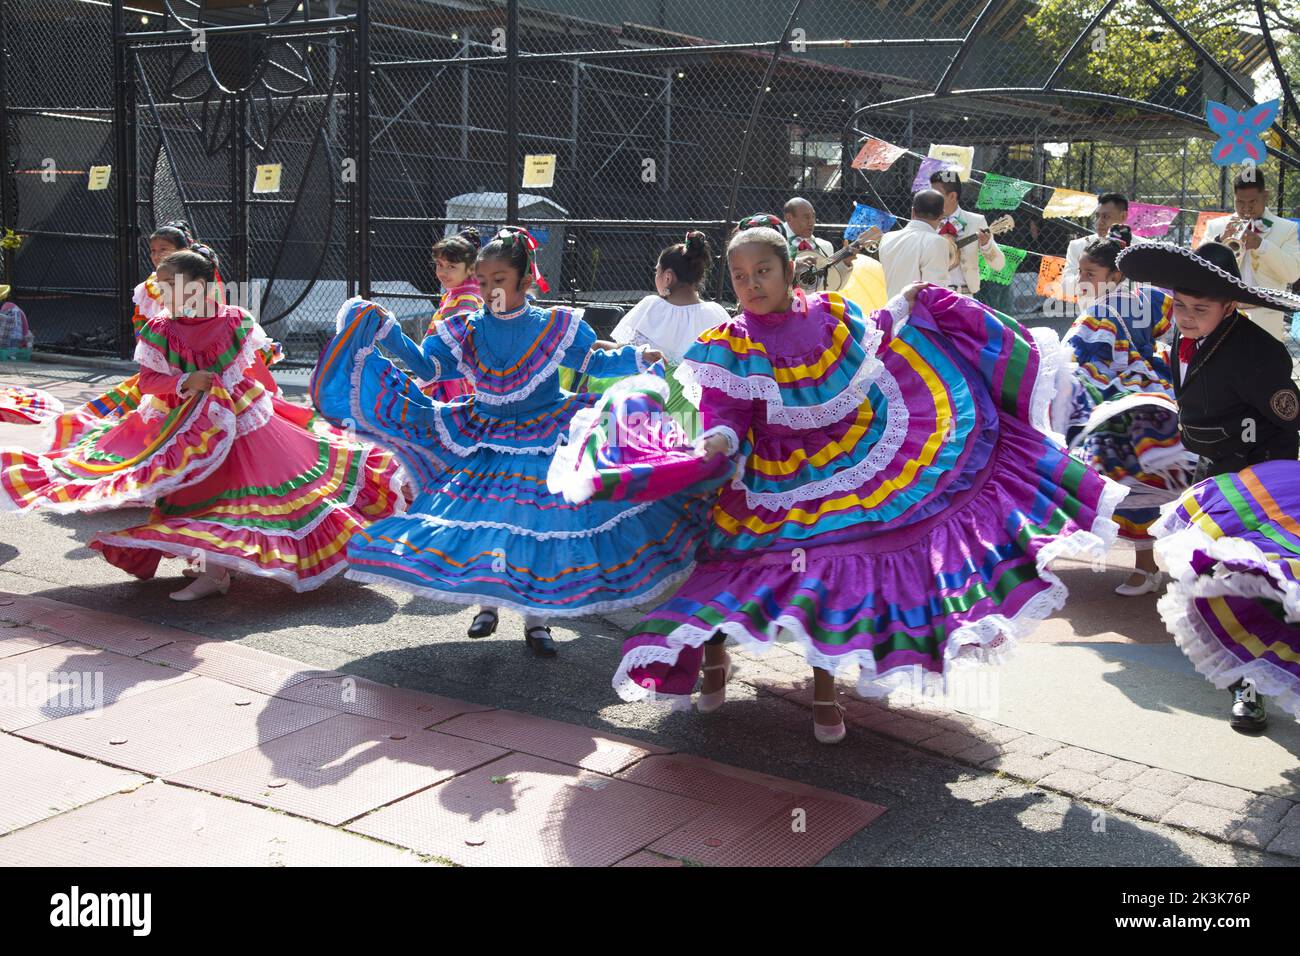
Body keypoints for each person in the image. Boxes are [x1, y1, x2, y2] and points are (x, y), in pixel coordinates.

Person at [558, 215, 1123, 743]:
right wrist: (719, 441)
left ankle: (826, 693)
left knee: (830, 572)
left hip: (846, 458)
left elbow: (877, 331)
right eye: (740, 276)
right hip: (763, 472)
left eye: (763, 272)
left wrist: (908, 303)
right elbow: (725, 411)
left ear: (787, 271)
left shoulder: (828, 314)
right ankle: (713, 659)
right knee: (729, 567)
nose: (752, 284)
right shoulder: (726, 344)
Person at [310, 226, 720, 659]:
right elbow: (428, 368)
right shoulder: (465, 329)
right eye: (483, 282)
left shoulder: (552, 325)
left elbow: (590, 360)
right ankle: (488, 604)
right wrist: (388, 331)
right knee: (489, 521)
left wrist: (637, 359)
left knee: (535, 526)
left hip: (545, 436)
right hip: (486, 434)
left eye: (500, 281)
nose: (490, 290)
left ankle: (536, 618)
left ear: (525, 281)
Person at [0, 248, 407, 599]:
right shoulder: (160, 329)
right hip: (186, 427)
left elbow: (256, 371)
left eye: (173, 285)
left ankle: (215, 570)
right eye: (162, 286)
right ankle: (211, 567)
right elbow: (148, 382)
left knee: (246, 496)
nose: (165, 294)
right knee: (189, 492)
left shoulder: (235, 321)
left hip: (246, 423)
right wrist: (184, 381)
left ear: (202, 284)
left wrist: (279, 408)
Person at [1118, 239, 1300, 730]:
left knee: (1252, 579)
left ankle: (1252, 686)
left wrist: (1266, 493)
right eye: (1180, 305)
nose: (1187, 317)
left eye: (1201, 308)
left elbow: (1289, 422)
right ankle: (1235, 662)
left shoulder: (1260, 354)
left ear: (1231, 305)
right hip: (1210, 474)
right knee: (1201, 571)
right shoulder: (1181, 339)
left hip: (1257, 480)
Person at [1055, 225, 1195, 596]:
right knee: (1142, 480)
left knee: (1121, 477)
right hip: (1155, 396)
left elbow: (1074, 363)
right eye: (1081, 272)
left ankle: (1146, 566)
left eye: (1090, 274)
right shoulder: (1148, 297)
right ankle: (1151, 564)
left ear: (1114, 275)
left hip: (1119, 406)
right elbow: (1181, 327)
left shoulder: (1100, 311)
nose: (1081, 279)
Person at [604, 232, 731, 433]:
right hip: (694, 421)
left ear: (668, 277)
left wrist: (594, 345)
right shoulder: (717, 314)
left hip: (644, 417)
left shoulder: (651, 306)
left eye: (657, 271)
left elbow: (623, 352)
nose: (656, 276)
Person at [1203, 170, 1300, 341]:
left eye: (1253, 201)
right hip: (1222, 317)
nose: (1246, 208)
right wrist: (1220, 241)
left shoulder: (1286, 229)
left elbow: (1293, 274)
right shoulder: (1216, 227)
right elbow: (1198, 270)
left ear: (1266, 196)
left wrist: (1262, 245)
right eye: (1240, 202)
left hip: (1266, 322)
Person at [419, 228, 482, 402]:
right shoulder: (457, 292)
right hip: (443, 370)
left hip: (451, 375)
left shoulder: (467, 298)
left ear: (470, 268)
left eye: (452, 267)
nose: (443, 272)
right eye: (439, 264)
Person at [930, 170, 1004, 297]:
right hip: (933, 296)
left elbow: (998, 265)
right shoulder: (926, 220)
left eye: (936, 194)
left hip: (964, 295)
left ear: (952, 196)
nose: (931, 199)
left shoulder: (975, 221)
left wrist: (986, 244)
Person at [878, 189, 950, 298]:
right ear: (941, 215)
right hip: (918, 314)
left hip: (891, 310)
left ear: (913, 211)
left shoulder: (887, 238)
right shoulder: (937, 242)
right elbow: (934, 291)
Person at [1062, 192, 1129, 300]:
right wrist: (1089, 273)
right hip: (1091, 313)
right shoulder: (1078, 246)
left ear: (1123, 216)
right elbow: (1067, 286)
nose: (1099, 222)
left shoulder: (1141, 247)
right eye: (1097, 216)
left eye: (1106, 217)